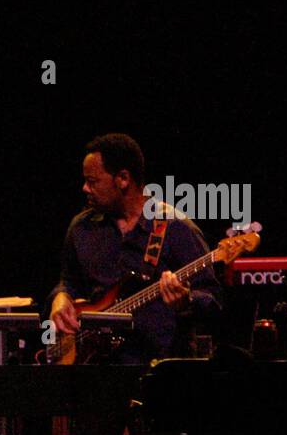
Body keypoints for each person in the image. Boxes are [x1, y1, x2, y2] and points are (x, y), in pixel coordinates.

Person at [48, 133, 222, 363]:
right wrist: (60, 297)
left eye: (93, 181)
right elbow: (69, 281)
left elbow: (214, 300)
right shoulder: (81, 228)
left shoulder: (176, 228)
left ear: (122, 179)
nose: (85, 188)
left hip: (158, 368)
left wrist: (187, 300)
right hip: (93, 366)